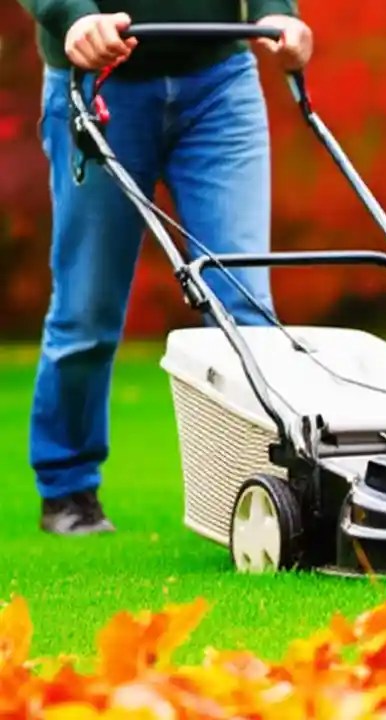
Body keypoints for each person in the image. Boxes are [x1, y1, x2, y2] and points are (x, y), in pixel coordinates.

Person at [17, 1, 314, 535]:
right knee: (87, 309)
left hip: (220, 83)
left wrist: (278, 13)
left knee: (244, 307)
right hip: (96, 84)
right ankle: (68, 487)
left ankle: (263, 488)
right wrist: (74, 16)